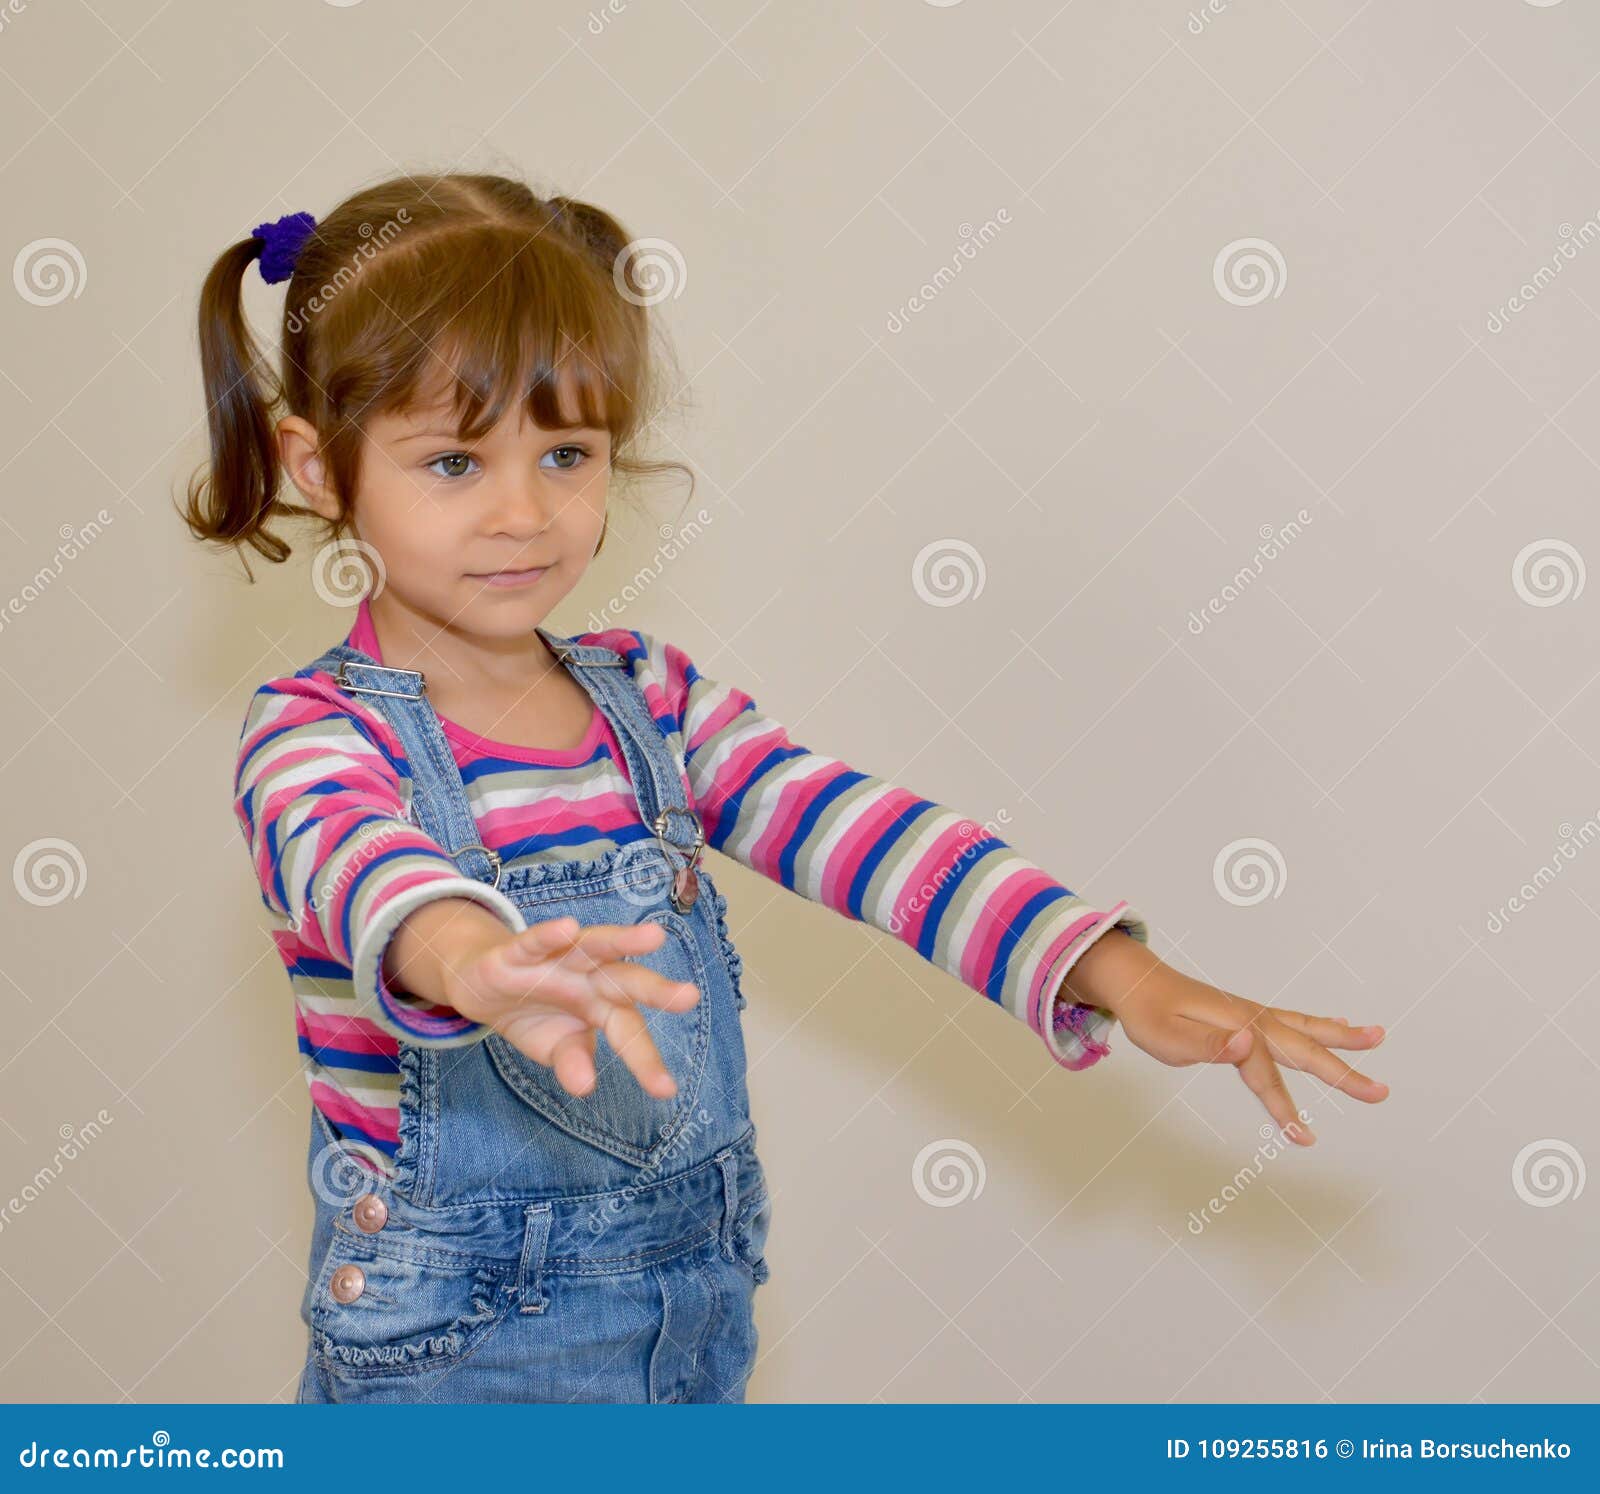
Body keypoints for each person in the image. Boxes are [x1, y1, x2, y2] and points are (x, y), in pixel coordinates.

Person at [182, 172, 1389, 1404]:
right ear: (317, 467)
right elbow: (353, 863)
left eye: (566, 452)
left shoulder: (654, 700)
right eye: (452, 461)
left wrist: (1119, 973)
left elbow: (872, 836)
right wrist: (467, 956)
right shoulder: (313, 733)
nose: (523, 511)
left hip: (691, 1314)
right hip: (452, 1349)